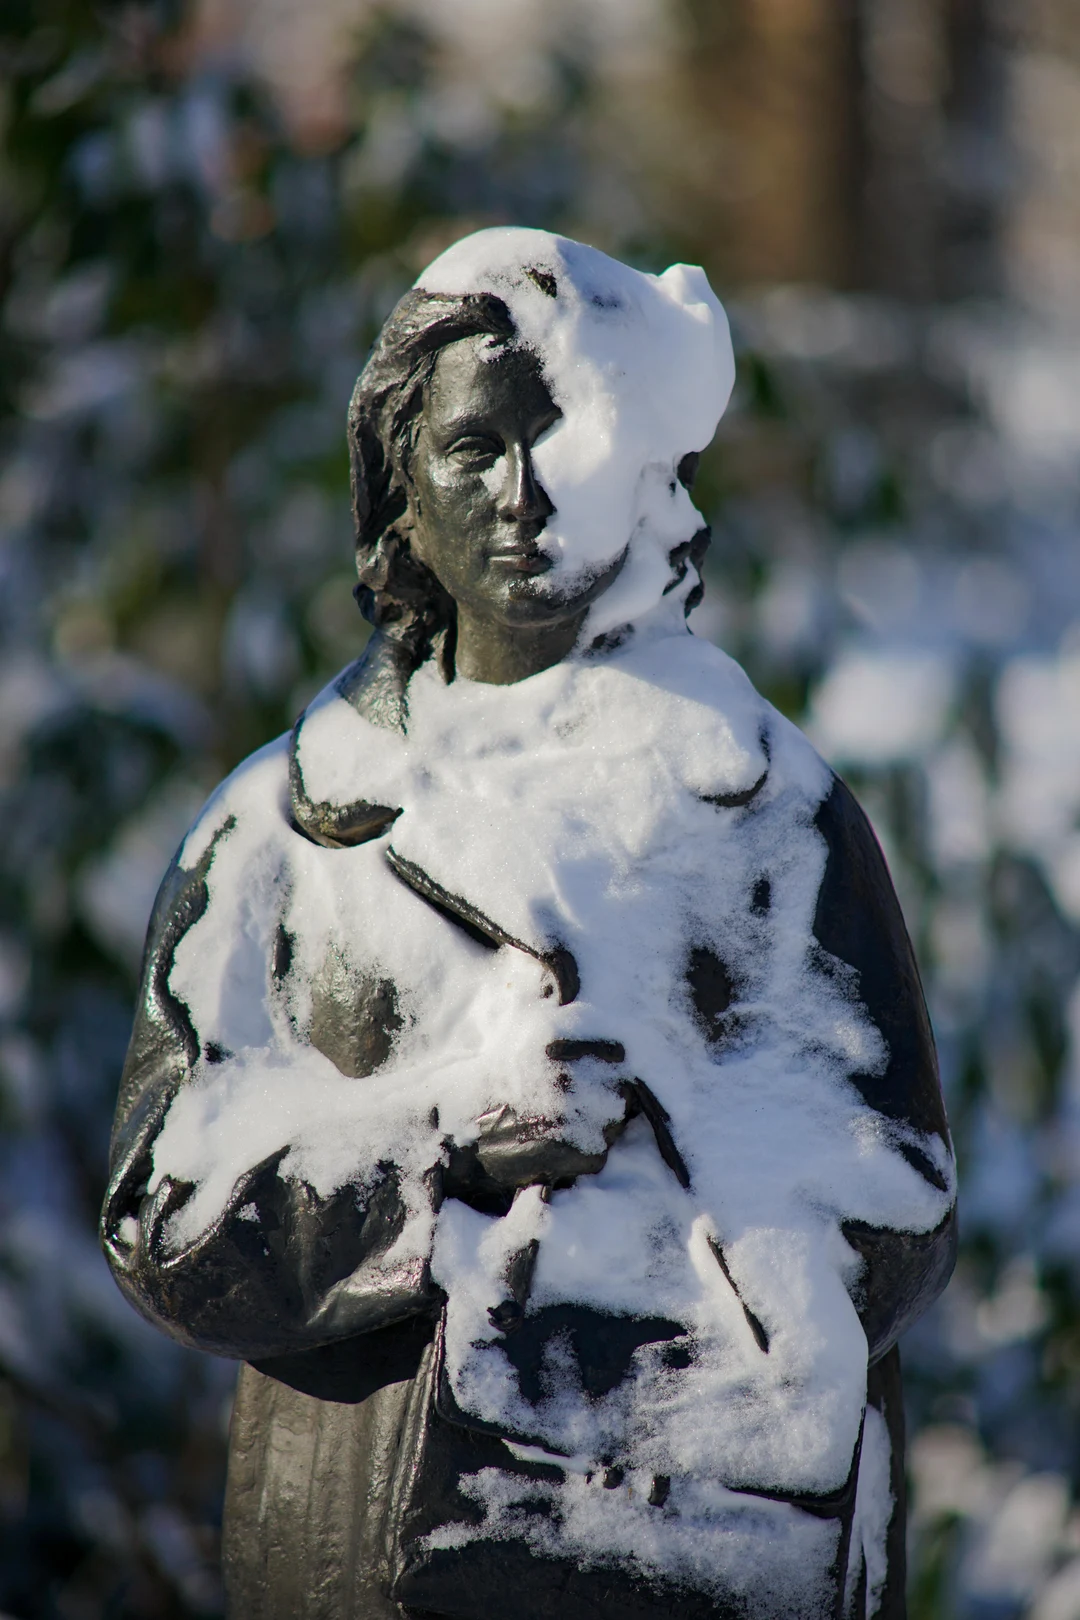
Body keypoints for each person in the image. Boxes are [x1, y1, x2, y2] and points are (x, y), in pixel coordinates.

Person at [101, 229, 956, 1620]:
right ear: (399, 492)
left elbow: (904, 1202)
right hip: (365, 1557)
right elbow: (161, 1220)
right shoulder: (287, 832)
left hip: (725, 1555)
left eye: (561, 437)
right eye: (471, 448)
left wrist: (671, 1218)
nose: (522, 492)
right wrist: (441, 1141)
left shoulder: (764, 809)